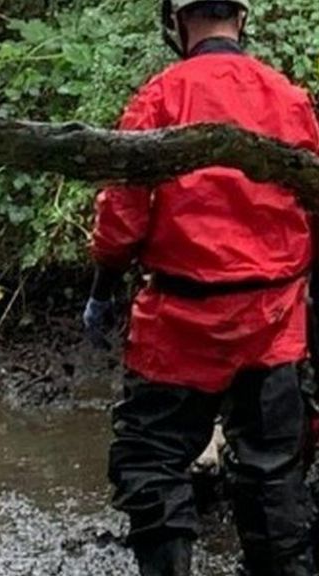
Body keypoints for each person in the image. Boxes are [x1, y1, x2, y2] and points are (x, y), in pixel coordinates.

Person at [82, 1, 319, 575]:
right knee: (272, 472)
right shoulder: (289, 101)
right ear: (240, 21)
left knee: (152, 460)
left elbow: (123, 217)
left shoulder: (158, 99)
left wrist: (104, 286)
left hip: (180, 321)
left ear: (177, 22)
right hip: (271, 320)